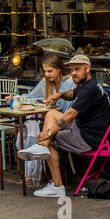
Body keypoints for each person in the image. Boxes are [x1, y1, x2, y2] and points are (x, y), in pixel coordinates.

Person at [35, 54, 110, 199]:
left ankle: (57, 187)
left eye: (77, 69)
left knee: (48, 140)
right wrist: (58, 95)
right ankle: (41, 145)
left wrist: (48, 133)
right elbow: (72, 94)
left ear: (87, 68)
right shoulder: (89, 85)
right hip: (93, 133)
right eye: (71, 70)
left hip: (90, 139)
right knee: (51, 114)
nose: (73, 73)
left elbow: (69, 116)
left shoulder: (89, 90)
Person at [20, 53, 75, 188]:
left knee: (39, 134)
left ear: (59, 69)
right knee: (28, 129)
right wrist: (16, 98)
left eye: (50, 71)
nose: (47, 74)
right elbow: (32, 97)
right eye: (45, 71)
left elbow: (68, 112)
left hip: (65, 123)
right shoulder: (46, 82)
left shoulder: (69, 83)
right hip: (50, 122)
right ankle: (36, 174)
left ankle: (35, 175)